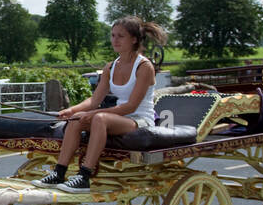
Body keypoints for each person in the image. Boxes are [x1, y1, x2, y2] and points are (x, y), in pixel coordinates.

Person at [37, 16, 168, 191]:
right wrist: (71, 110)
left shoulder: (144, 67)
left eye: (121, 36)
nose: (115, 40)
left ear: (134, 39)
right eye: (113, 35)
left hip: (140, 119)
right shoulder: (110, 67)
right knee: (76, 119)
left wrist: (93, 114)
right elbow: (94, 100)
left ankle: (84, 176)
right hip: (118, 118)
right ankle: (59, 173)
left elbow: (131, 107)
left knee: (100, 118)